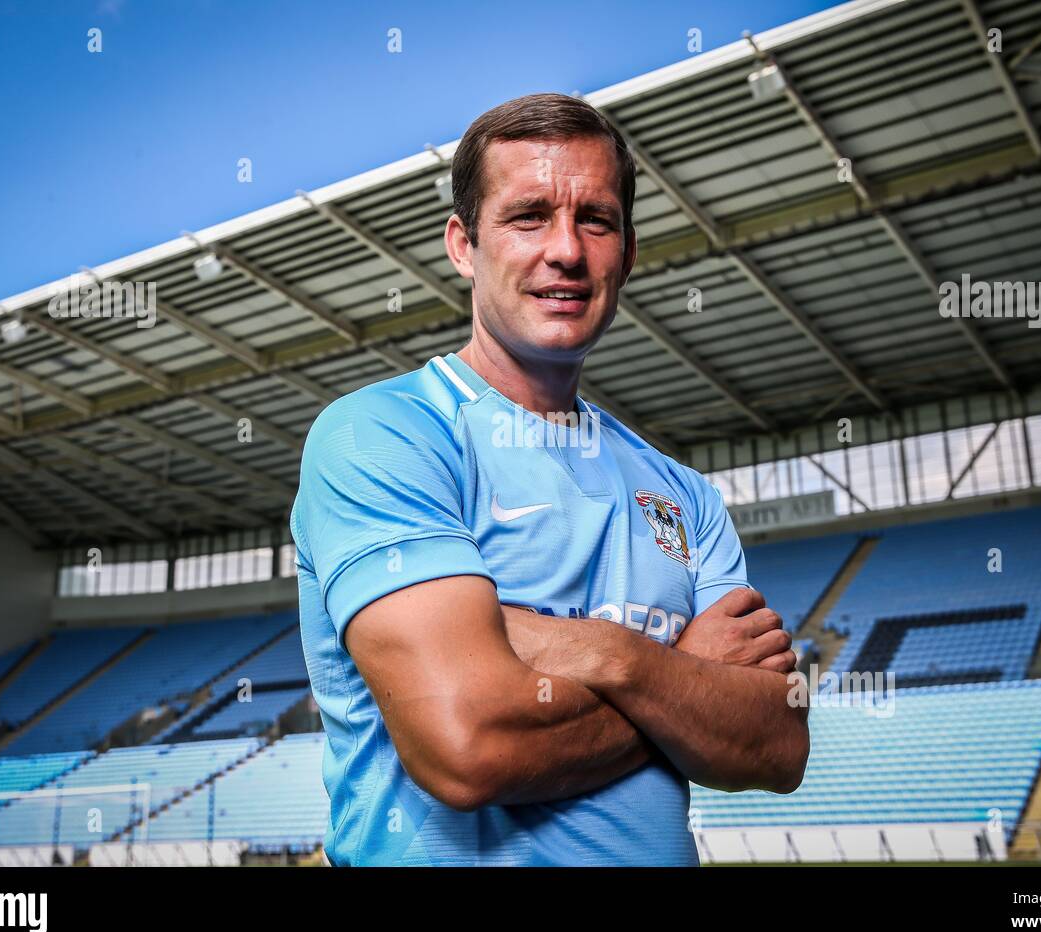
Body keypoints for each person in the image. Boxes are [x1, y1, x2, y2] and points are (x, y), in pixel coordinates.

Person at [291, 92, 808, 866]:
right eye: (529, 216)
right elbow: (469, 748)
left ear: (628, 252)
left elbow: (776, 744)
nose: (565, 250)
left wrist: (607, 654)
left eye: (596, 220)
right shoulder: (384, 436)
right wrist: (682, 679)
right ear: (464, 245)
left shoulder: (685, 495)